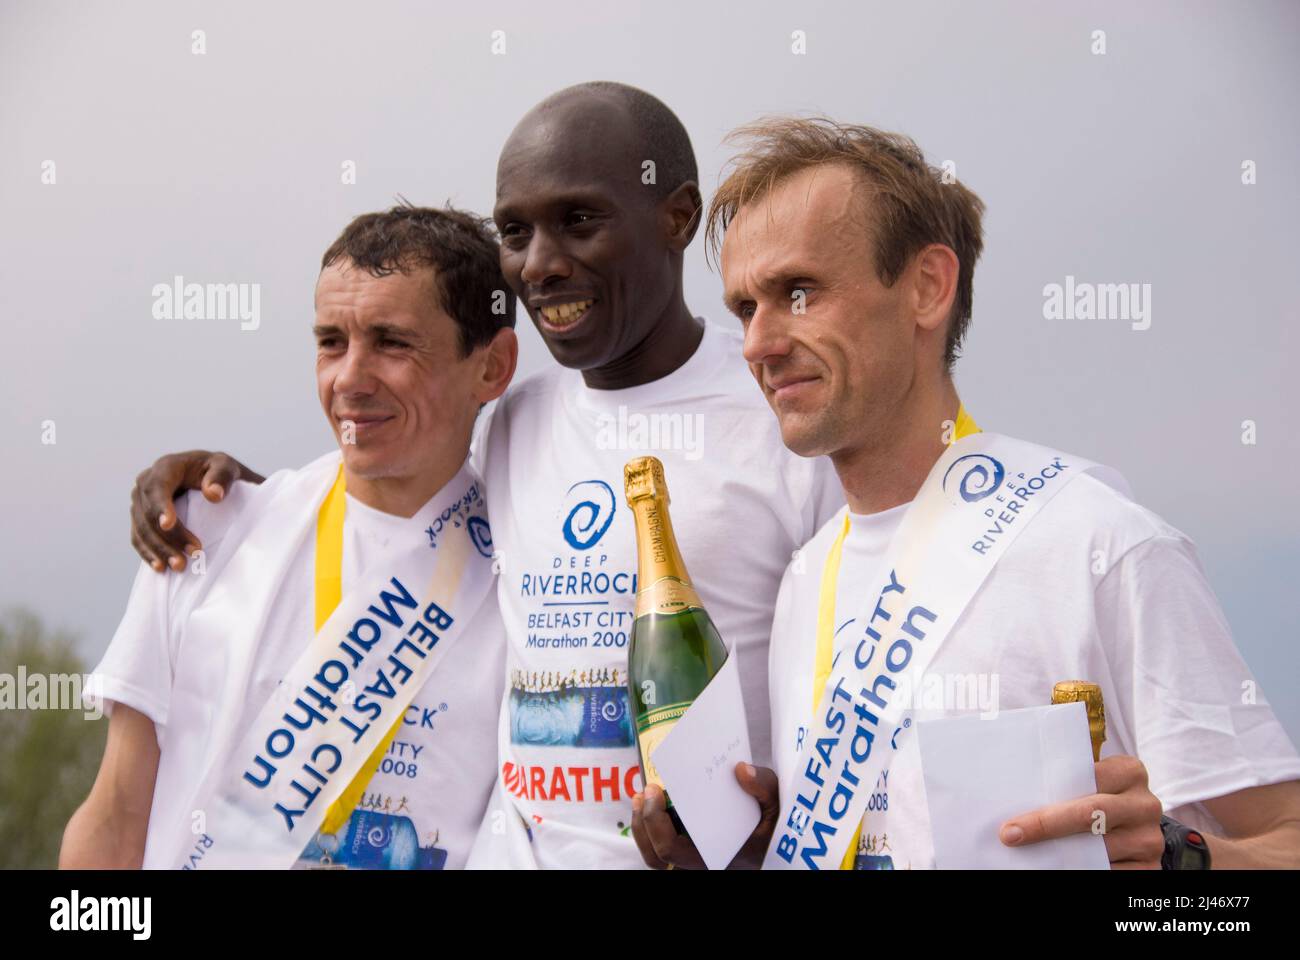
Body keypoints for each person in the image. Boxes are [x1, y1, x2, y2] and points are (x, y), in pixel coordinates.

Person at [118, 83, 843, 869]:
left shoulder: (788, 424)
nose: (541, 264)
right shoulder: (514, 423)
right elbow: (387, 484)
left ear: (676, 215)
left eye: (579, 221)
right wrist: (239, 499)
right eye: (515, 231)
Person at [634, 116, 1300, 870]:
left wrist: (1186, 864)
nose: (757, 343)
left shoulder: (1100, 546)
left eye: (799, 292)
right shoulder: (807, 579)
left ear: (927, 286)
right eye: (746, 308)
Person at [61, 204, 517, 869]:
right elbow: (115, 813)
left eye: (392, 342)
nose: (349, 379)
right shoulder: (204, 533)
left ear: (492, 366)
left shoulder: (521, 569)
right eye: (331, 341)